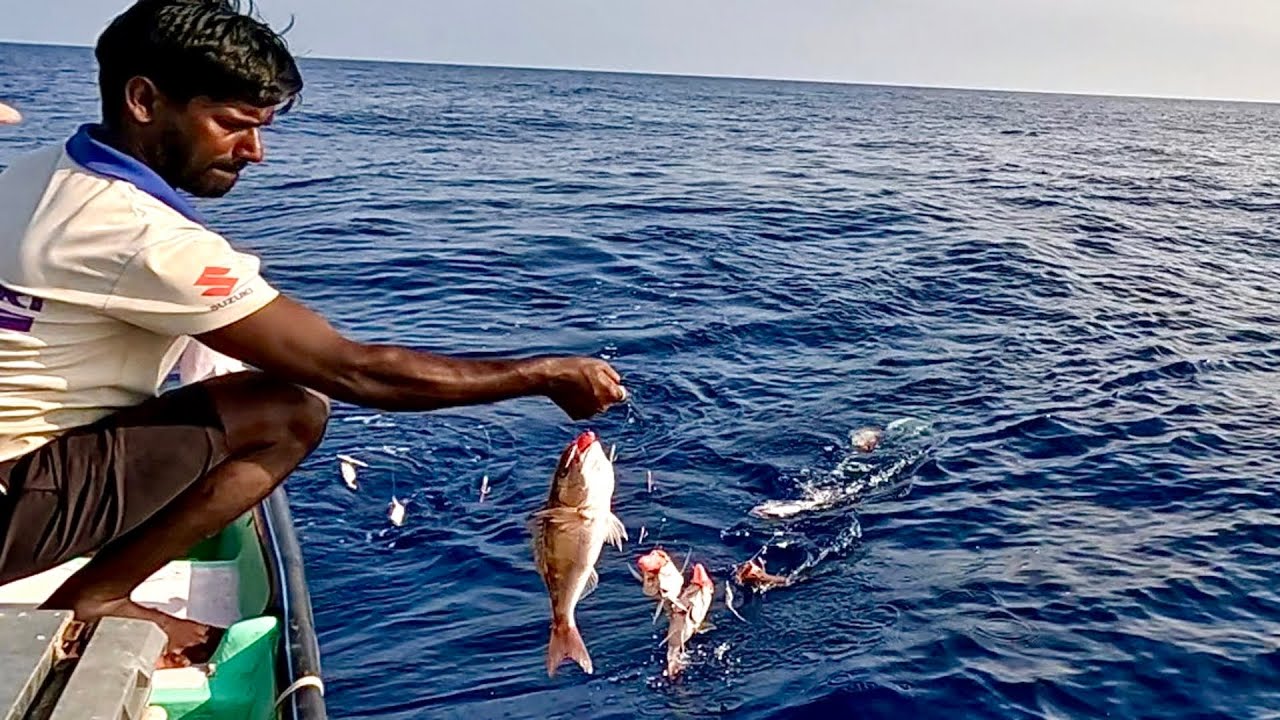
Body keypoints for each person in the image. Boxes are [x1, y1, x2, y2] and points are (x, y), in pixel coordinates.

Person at [0, 0, 627, 668]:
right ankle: (93, 597)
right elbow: (357, 370)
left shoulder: (41, 172)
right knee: (287, 410)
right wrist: (547, 374)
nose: (255, 152)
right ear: (144, 100)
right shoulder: (139, 236)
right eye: (232, 125)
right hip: (12, 505)